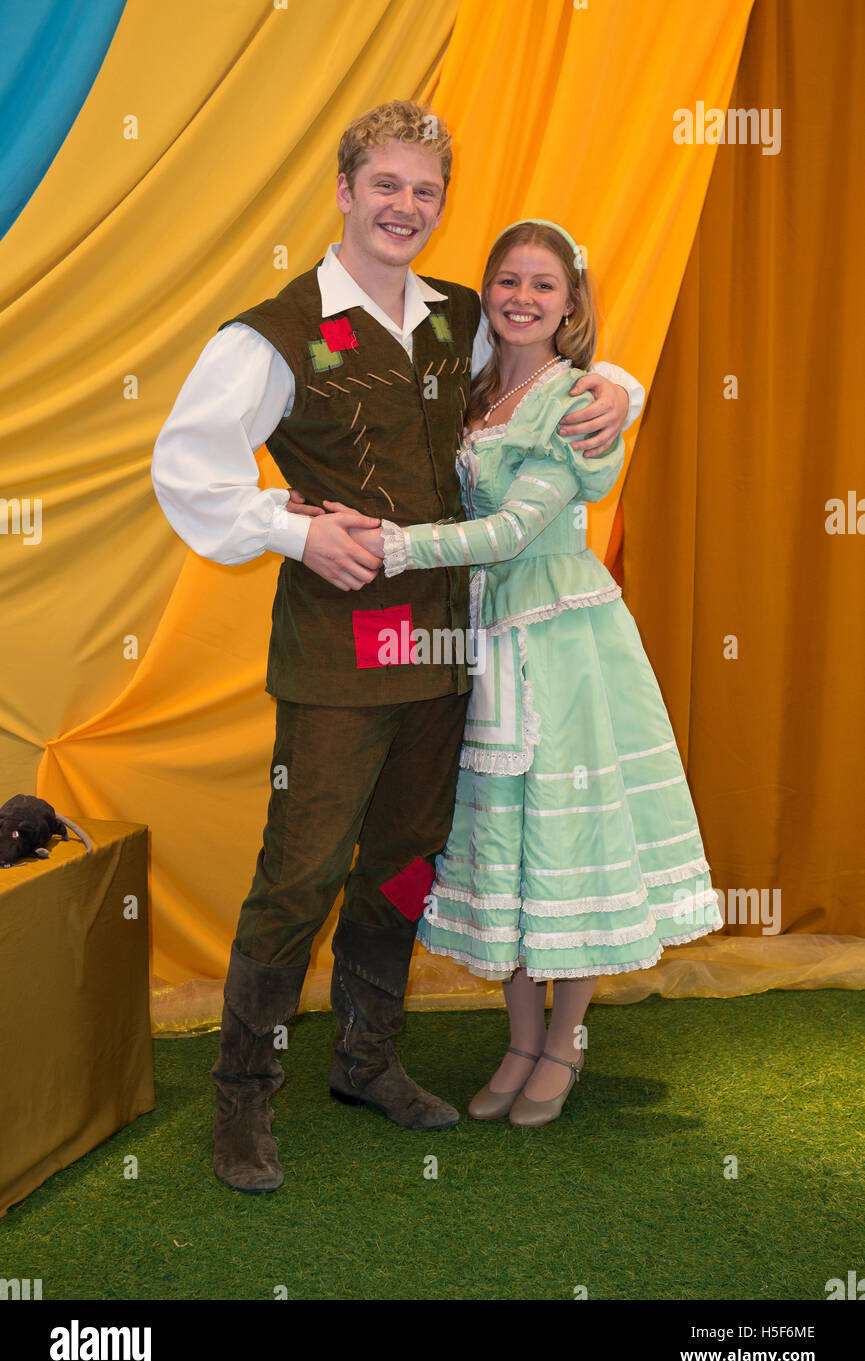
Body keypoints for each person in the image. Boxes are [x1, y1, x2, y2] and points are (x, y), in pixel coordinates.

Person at [150, 101, 645, 1192]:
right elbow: (188, 471)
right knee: (302, 870)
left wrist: (617, 385)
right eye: (386, 185)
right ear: (344, 189)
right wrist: (291, 527)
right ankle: (243, 1097)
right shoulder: (281, 333)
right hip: (340, 652)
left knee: (405, 862)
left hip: (444, 646)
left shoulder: (449, 317)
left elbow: (551, 355)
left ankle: (366, 1060)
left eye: (424, 191)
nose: (404, 208)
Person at [349, 218, 723, 1129]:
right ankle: (519, 1039)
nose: (522, 298)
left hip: (560, 641)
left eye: (543, 286)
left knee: (568, 835)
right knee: (503, 841)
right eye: (508, 281)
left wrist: (393, 546)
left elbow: (515, 531)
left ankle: (564, 1042)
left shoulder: (575, 403)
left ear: (570, 304)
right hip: (481, 640)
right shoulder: (471, 391)